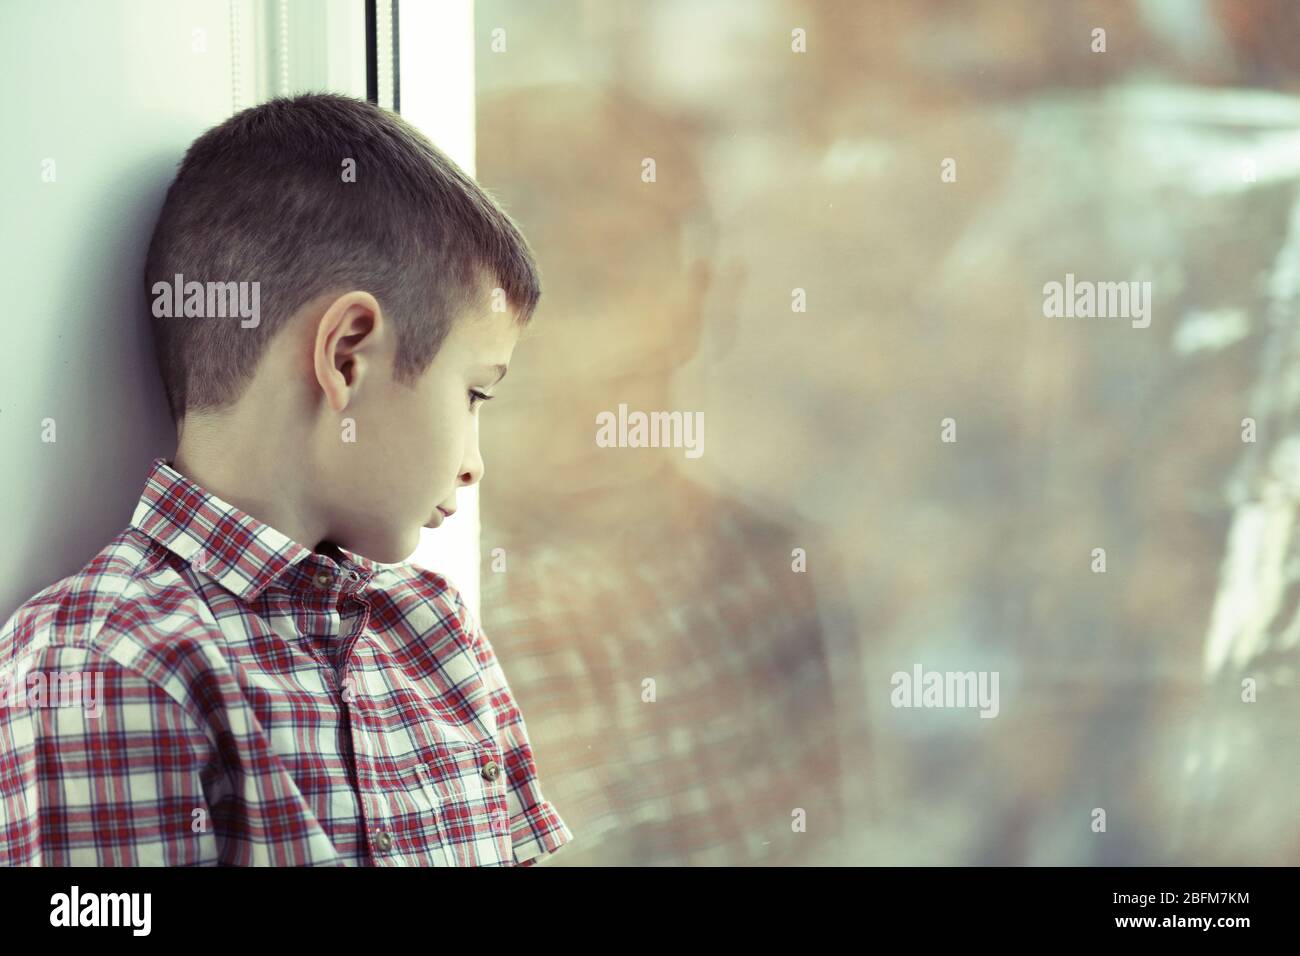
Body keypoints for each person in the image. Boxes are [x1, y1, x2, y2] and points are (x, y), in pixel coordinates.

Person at [0, 93, 571, 866]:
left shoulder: (437, 635)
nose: (474, 464)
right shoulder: (105, 664)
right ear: (346, 358)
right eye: (474, 393)